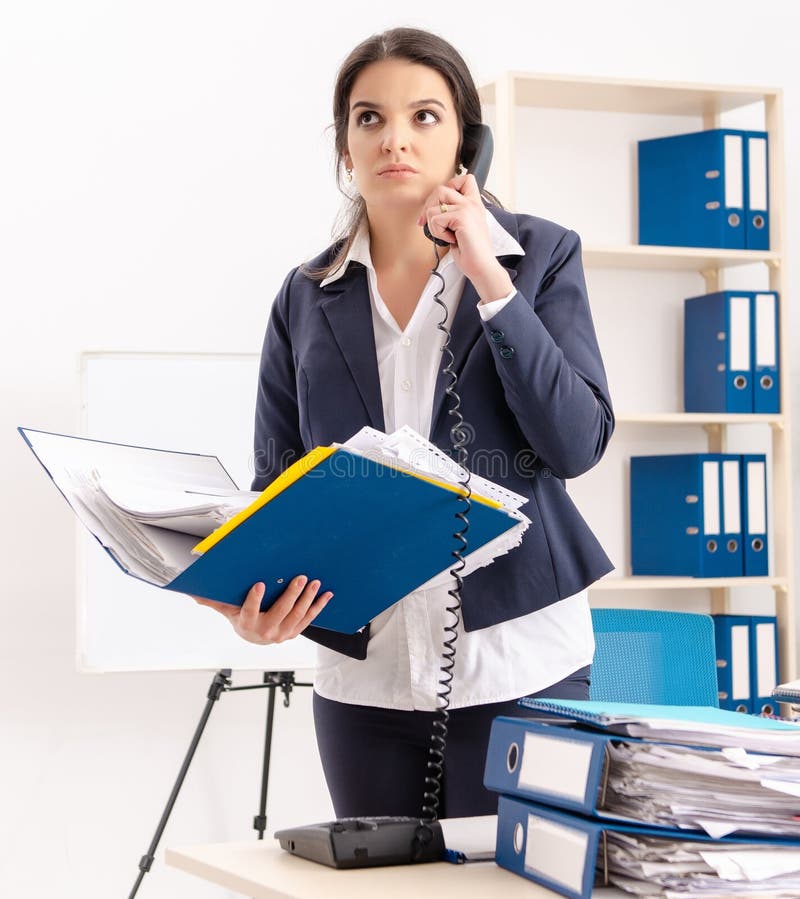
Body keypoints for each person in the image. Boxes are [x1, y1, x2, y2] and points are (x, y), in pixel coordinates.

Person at [193, 27, 614, 819]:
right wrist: (253, 595)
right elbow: (277, 482)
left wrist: (489, 275)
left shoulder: (543, 255)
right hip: (367, 684)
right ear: (345, 148)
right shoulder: (303, 295)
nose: (394, 138)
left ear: (466, 141)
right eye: (369, 118)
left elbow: (576, 440)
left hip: (521, 665)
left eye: (424, 116)